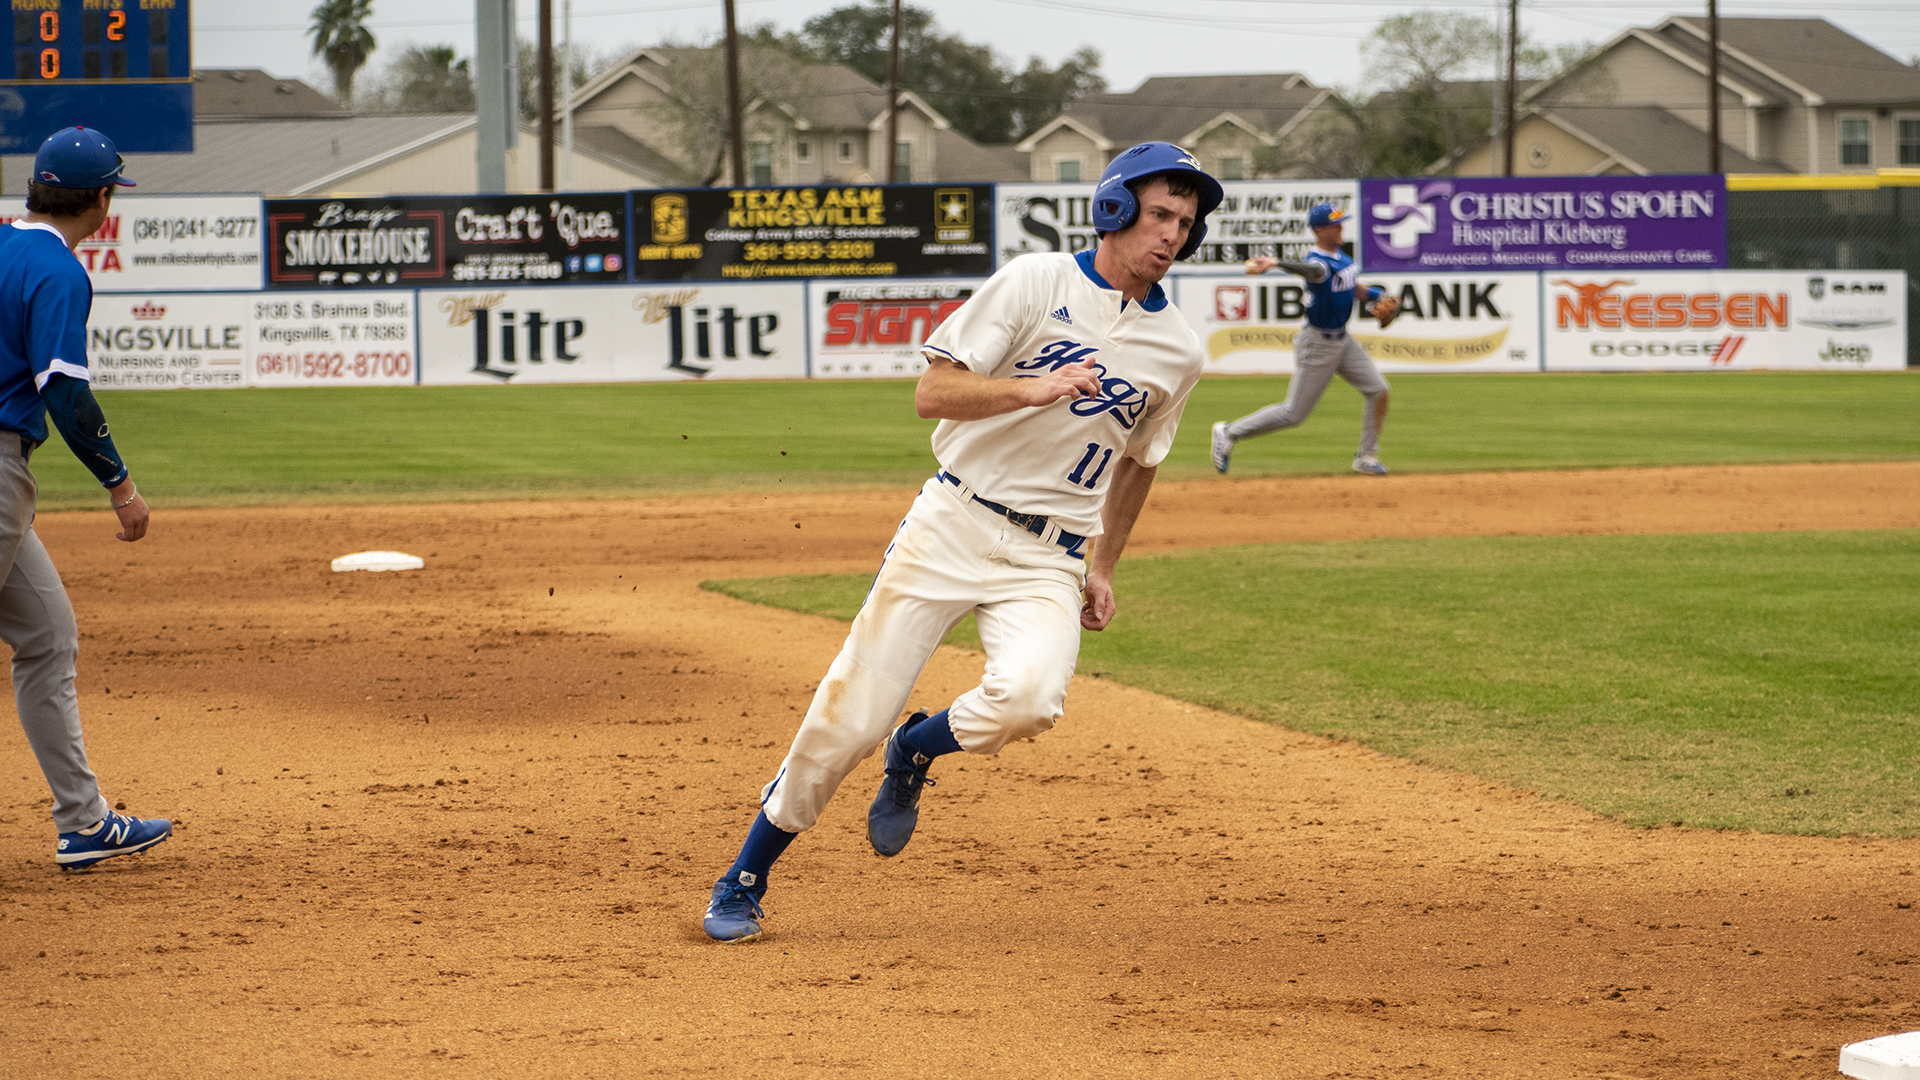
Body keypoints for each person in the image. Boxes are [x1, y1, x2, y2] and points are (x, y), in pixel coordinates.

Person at [702, 142, 1222, 942]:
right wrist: (1035, 388)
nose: (1171, 236)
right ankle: (746, 874)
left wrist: (1104, 563)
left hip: (1050, 554)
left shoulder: (1179, 348)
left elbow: (1141, 461)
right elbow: (932, 392)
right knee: (850, 716)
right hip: (952, 522)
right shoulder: (1035, 281)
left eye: (1185, 224)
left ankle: (916, 747)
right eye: (1159, 214)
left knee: (1029, 702)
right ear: (1116, 208)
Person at [0, 126, 169, 870]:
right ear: (101, 198)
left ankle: (85, 822)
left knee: (47, 635)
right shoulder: (59, 271)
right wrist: (121, 485)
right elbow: (66, 393)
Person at [1209, 201, 1401, 477]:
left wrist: (1377, 296)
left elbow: (1352, 288)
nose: (1340, 227)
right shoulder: (1318, 262)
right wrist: (1276, 263)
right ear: (1320, 230)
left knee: (1379, 390)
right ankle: (1229, 431)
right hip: (1318, 344)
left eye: (1341, 222)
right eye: (1335, 224)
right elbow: (1313, 272)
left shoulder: (1342, 259)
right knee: (1293, 413)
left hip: (1343, 342)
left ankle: (1366, 457)